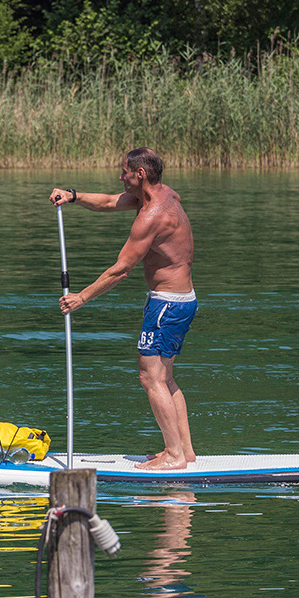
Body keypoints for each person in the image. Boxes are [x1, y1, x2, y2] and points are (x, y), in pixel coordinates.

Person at [49, 147, 197, 471]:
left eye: (124, 172)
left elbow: (121, 269)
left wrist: (81, 298)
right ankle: (184, 451)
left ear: (140, 174)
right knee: (166, 378)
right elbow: (107, 202)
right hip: (183, 301)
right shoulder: (165, 195)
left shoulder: (152, 216)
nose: (120, 177)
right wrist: (71, 196)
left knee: (150, 377)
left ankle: (173, 456)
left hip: (166, 305)